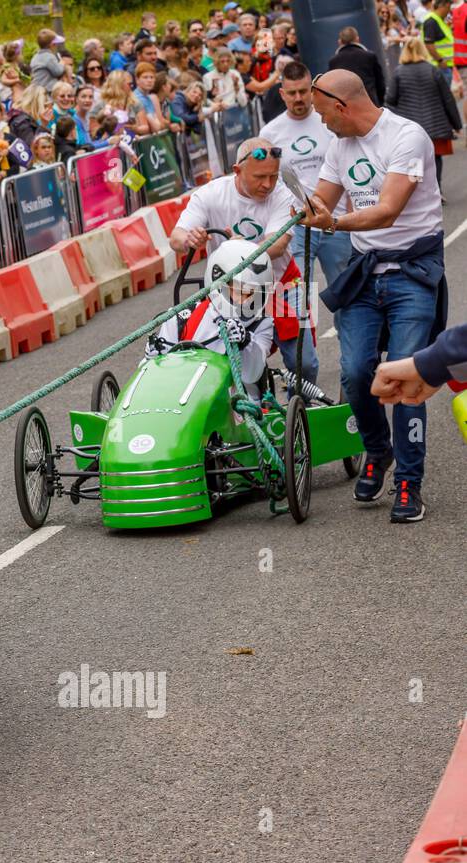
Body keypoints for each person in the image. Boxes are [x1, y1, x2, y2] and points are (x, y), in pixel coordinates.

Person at [296, 69, 445, 522]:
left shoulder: (406, 136)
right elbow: (322, 201)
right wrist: (302, 207)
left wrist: (334, 223)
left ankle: (408, 484)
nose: (320, 123)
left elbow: (387, 210)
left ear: (342, 107)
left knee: (404, 376)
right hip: (364, 273)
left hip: (412, 273)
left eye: (323, 113)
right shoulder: (339, 146)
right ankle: (378, 451)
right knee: (358, 372)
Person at [169, 137, 313, 382]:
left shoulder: (283, 194)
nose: (268, 184)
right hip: (230, 291)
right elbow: (176, 238)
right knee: (222, 358)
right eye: (259, 177)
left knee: (305, 362)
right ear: (237, 170)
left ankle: (299, 410)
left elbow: (277, 245)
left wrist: (238, 249)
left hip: (281, 285)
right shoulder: (210, 194)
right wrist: (190, 239)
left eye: (273, 176)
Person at [260, 62, 354, 329]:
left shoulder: (328, 122)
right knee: (296, 296)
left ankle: (353, 361)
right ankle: (304, 362)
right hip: (296, 225)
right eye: (292, 93)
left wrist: (350, 212)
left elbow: (346, 168)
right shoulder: (271, 133)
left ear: (312, 90)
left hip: (336, 222)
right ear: (282, 94)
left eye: (303, 91)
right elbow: (267, 180)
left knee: (345, 293)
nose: (299, 98)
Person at [146, 238, 276, 395]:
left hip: (237, 406)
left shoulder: (263, 324)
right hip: (183, 401)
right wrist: (153, 360)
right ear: (219, 281)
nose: (247, 301)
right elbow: (155, 380)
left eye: (254, 294)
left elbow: (252, 374)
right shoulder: (180, 318)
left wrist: (245, 341)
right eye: (241, 291)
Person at [386, 35, 463, 190]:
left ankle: (417, 191)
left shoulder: (399, 73)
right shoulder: (432, 70)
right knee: (436, 157)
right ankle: (437, 189)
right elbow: (447, 99)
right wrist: (456, 124)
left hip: (410, 126)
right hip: (435, 124)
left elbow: (390, 99)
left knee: (414, 159)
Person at [329, 27, 387, 106]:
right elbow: (380, 84)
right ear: (357, 39)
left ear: (340, 42)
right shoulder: (369, 56)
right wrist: (379, 103)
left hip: (347, 107)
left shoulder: (333, 61)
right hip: (370, 103)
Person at [422, 0, 456, 81]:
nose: (449, 11)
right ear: (442, 6)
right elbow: (429, 44)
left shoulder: (440, 20)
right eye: (448, 8)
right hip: (439, 66)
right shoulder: (431, 21)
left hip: (446, 65)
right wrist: (440, 60)